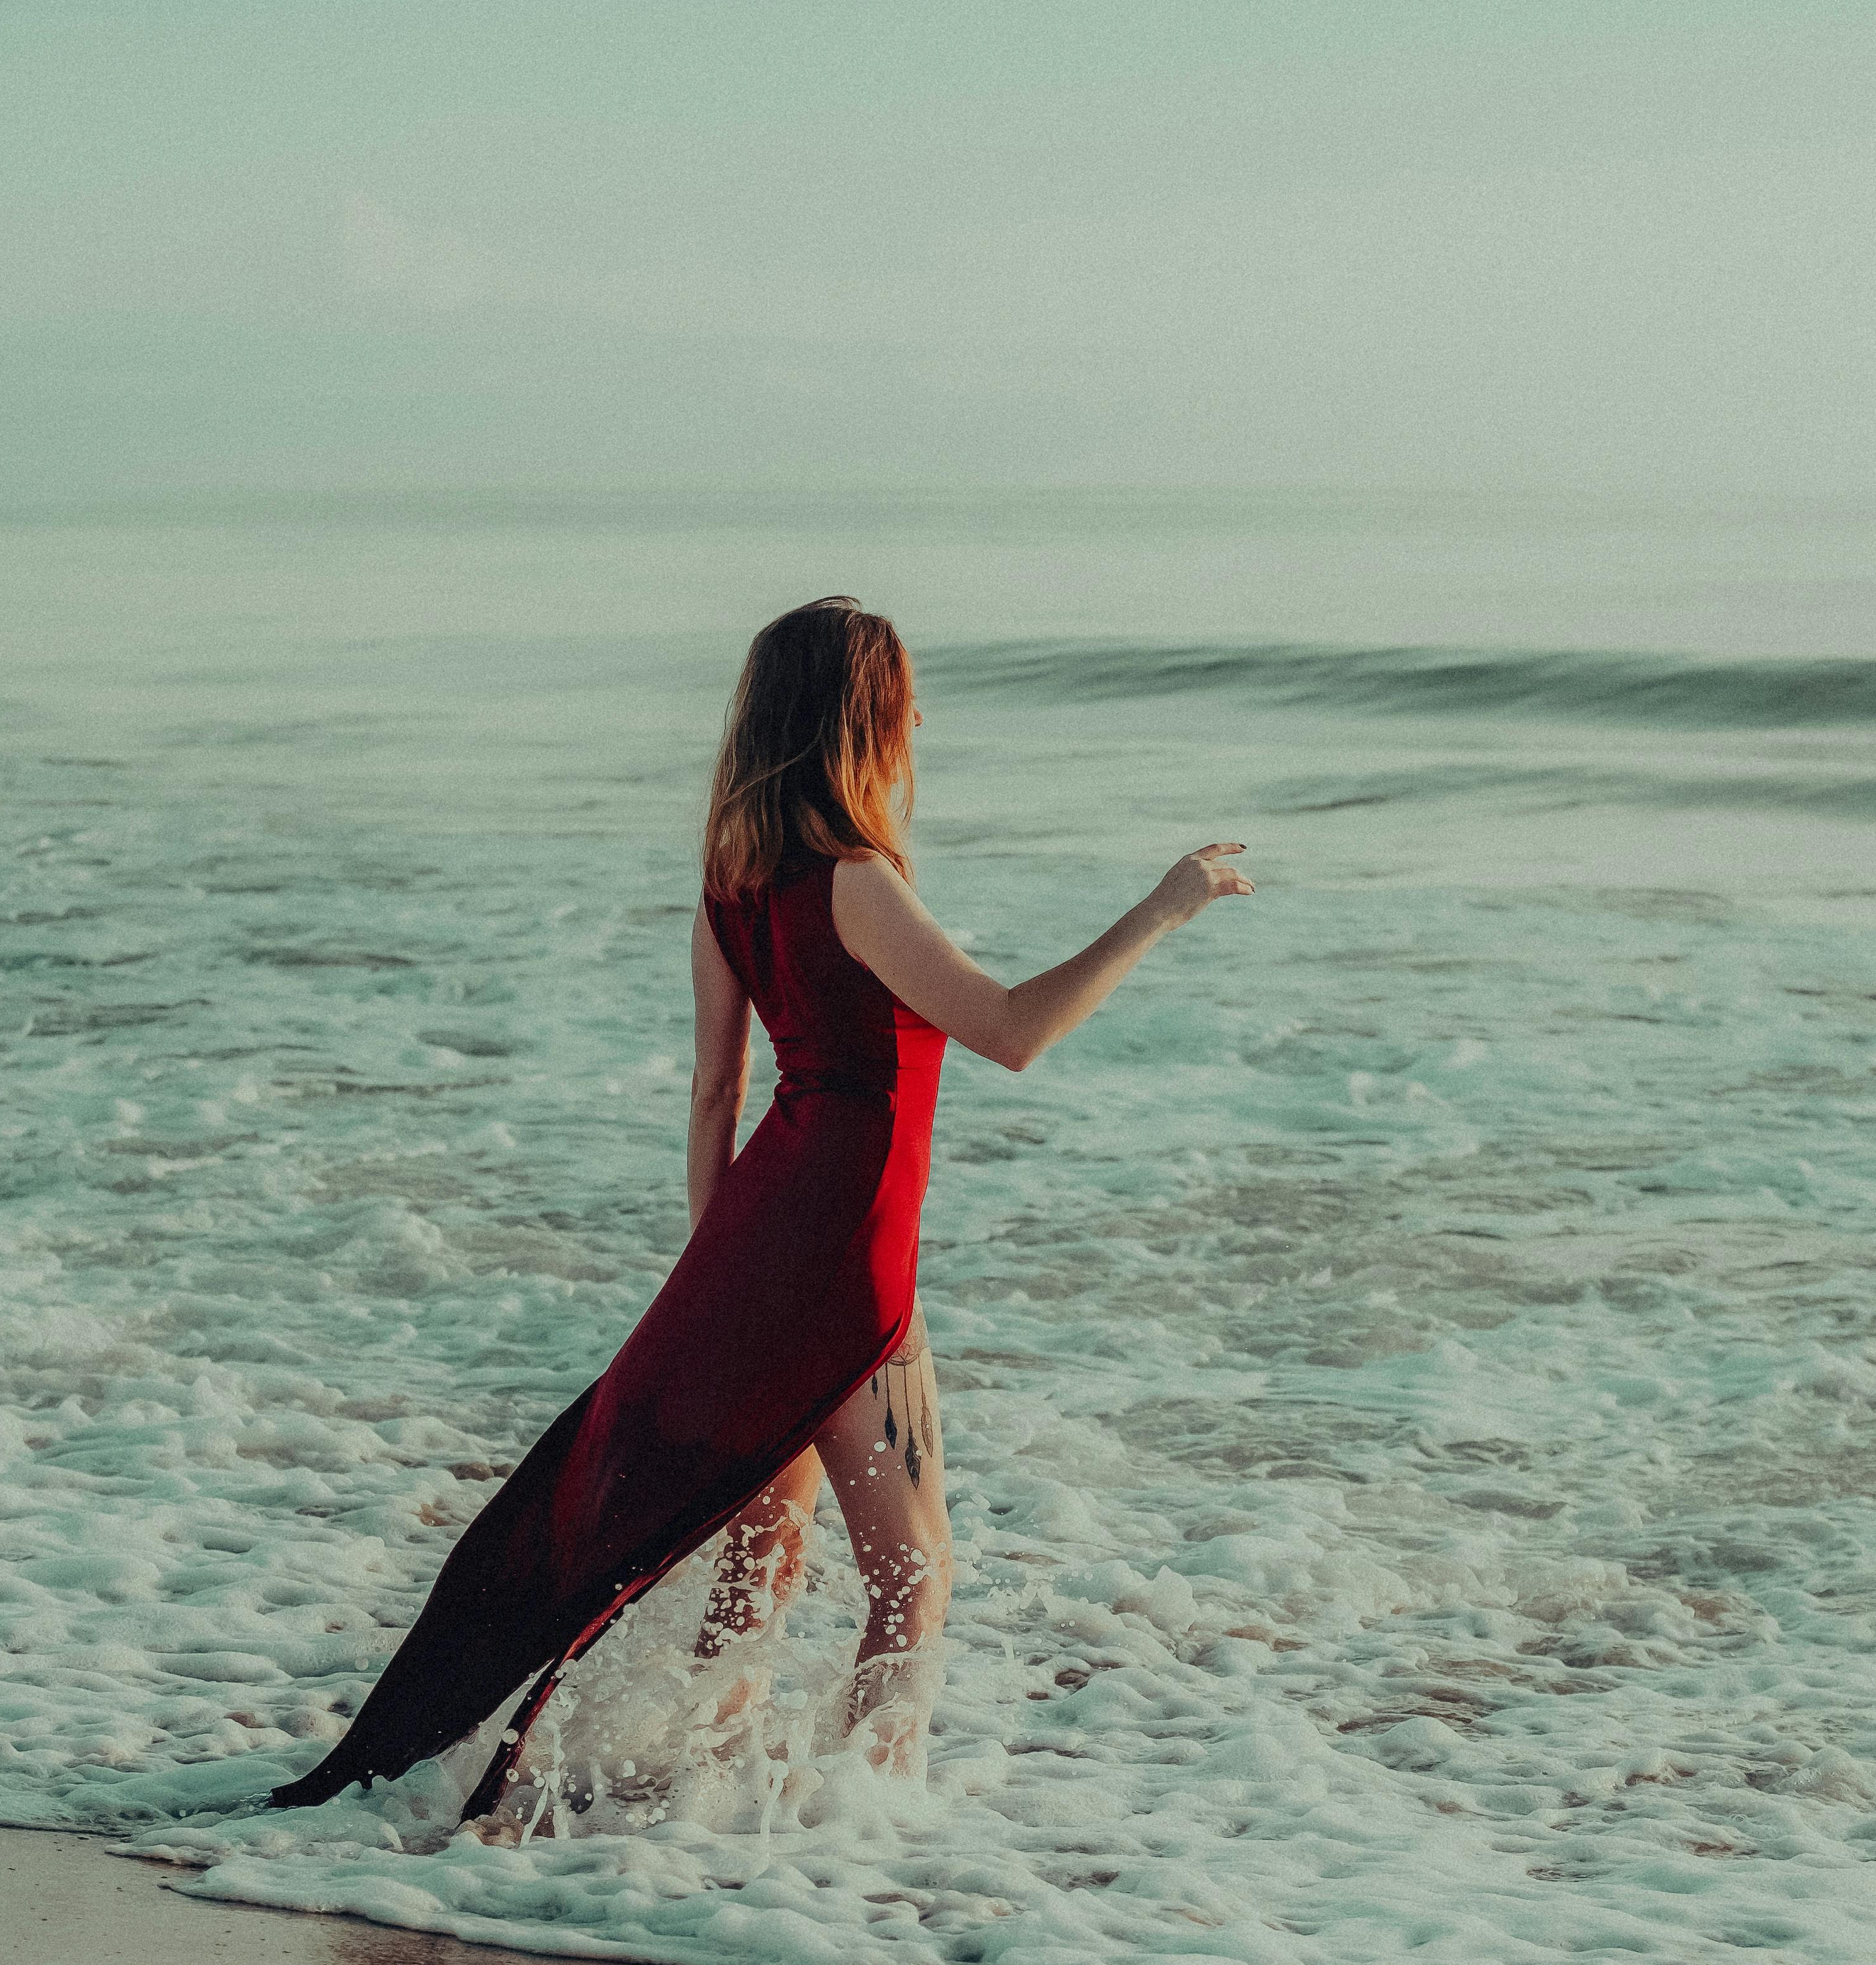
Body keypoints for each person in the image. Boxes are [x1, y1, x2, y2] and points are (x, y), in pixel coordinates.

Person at [270, 595, 1248, 1828]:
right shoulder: (857, 883)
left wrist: (719, 1285)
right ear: (865, 720)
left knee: (765, 1555)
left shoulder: (730, 891)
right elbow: (1011, 1031)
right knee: (916, 1574)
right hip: (844, 1258)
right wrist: (1166, 906)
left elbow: (712, 1096)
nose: (924, 717)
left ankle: (680, 1793)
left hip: (755, 1240)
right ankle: (869, 1836)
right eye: (906, 697)